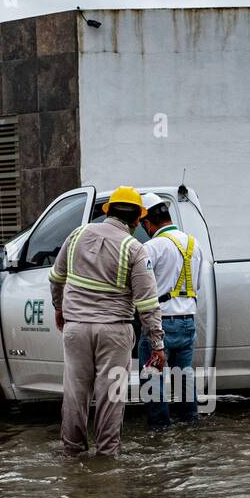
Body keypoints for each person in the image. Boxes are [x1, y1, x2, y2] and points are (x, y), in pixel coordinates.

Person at [50, 186, 166, 457]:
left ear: (108, 211)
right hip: (114, 332)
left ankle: (73, 453)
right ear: (137, 219)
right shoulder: (134, 248)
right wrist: (157, 343)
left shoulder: (77, 235)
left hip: (75, 328)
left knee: (75, 393)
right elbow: (147, 303)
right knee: (110, 396)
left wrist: (59, 308)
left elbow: (56, 278)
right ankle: (106, 458)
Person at [137, 192, 205, 428]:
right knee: (184, 375)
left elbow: (142, 288)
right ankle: (191, 422)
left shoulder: (151, 247)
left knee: (152, 376)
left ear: (147, 223)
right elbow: (196, 286)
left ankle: (160, 429)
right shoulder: (194, 245)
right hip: (188, 322)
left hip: (161, 323)